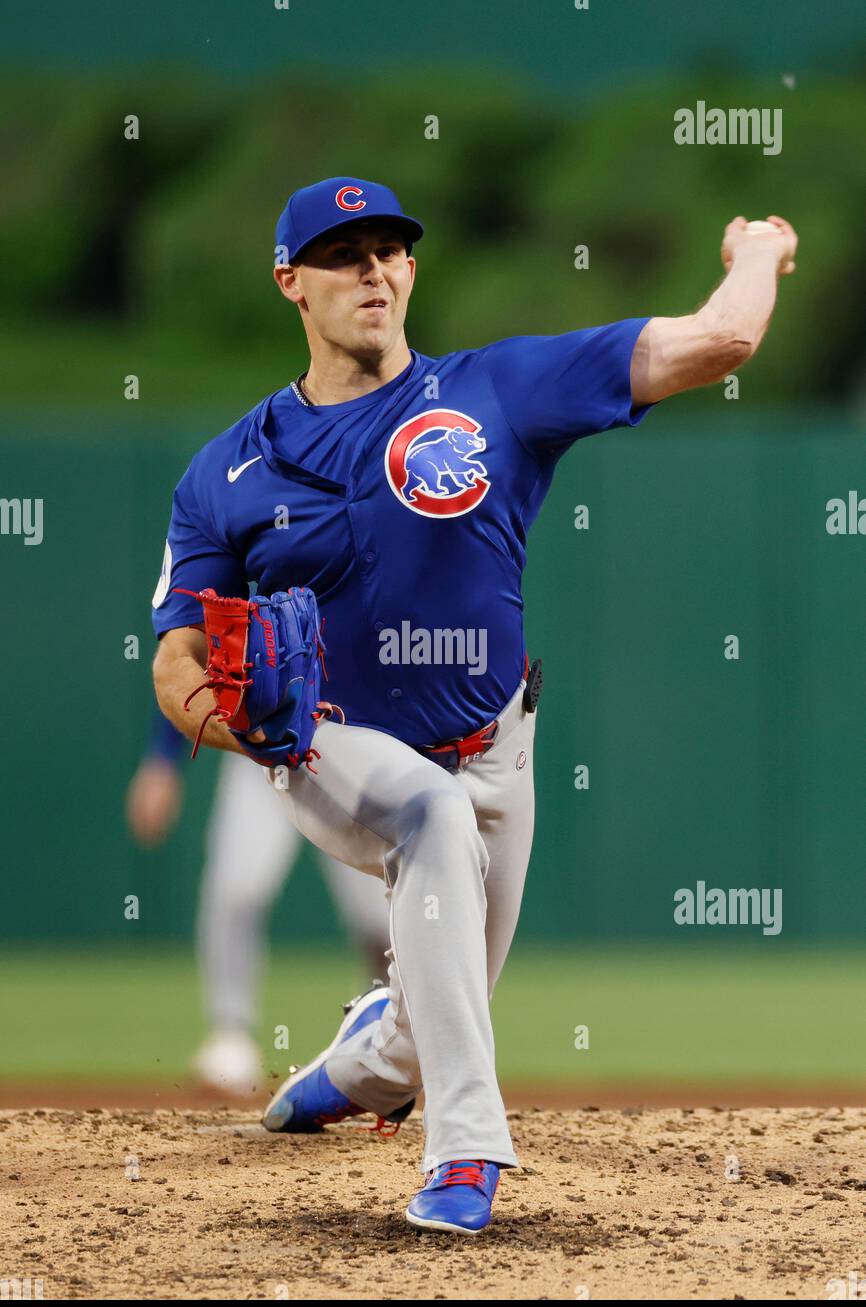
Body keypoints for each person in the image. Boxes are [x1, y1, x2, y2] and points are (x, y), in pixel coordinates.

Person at [151, 176, 796, 1232]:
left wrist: (758, 252)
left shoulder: (498, 390)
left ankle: (358, 1060)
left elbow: (719, 342)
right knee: (426, 818)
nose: (370, 268)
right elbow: (177, 657)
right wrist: (231, 722)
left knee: (435, 1003)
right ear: (289, 282)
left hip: (495, 746)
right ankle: (465, 1154)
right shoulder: (226, 470)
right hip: (328, 749)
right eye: (339, 252)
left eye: (388, 249)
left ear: (409, 268)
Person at [126, 707, 391, 1095]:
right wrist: (162, 760)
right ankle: (230, 1035)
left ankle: (388, 1039)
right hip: (262, 754)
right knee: (238, 891)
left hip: (352, 749)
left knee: (379, 920)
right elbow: (188, 654)